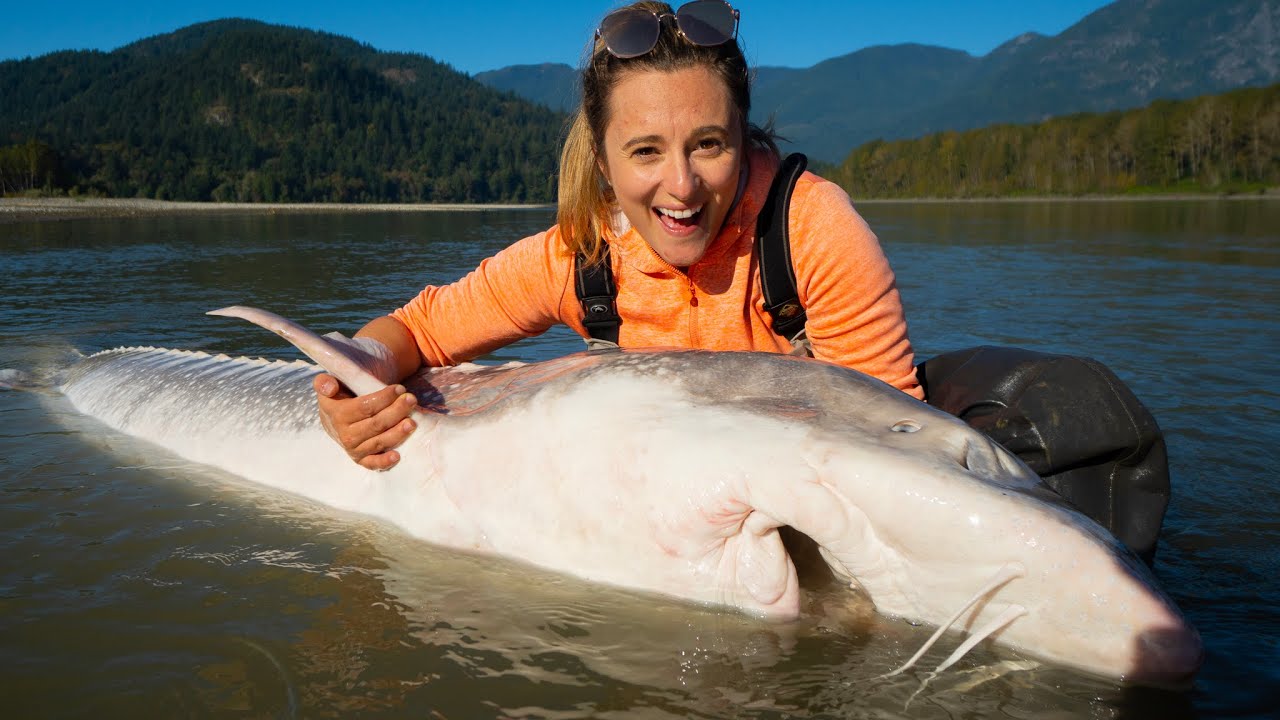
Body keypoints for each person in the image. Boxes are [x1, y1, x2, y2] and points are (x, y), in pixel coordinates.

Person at [314, 0, 922, 470]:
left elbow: (897, 436)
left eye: (708, 144)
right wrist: (353, 391)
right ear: (604, 163)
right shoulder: (582, 257)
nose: (681, 185)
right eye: (645, 151)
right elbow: (415, 331)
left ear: (743, 138)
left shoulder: (811, 228)